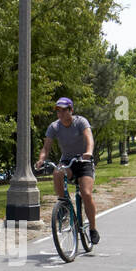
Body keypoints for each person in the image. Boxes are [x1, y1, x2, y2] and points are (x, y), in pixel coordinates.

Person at [35, 98, 99, 243]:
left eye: (64, 110)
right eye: (58, 110)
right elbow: (46, 147)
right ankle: (64, 205)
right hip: (68, 162)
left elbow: (89, 138)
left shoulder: (80, 122)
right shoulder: (54, 127)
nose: (61, 113)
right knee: (57, 171)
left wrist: (88, 152)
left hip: (83, 161)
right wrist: (41, 159)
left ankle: (93, 229)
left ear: (71, 110)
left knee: (86, 194)